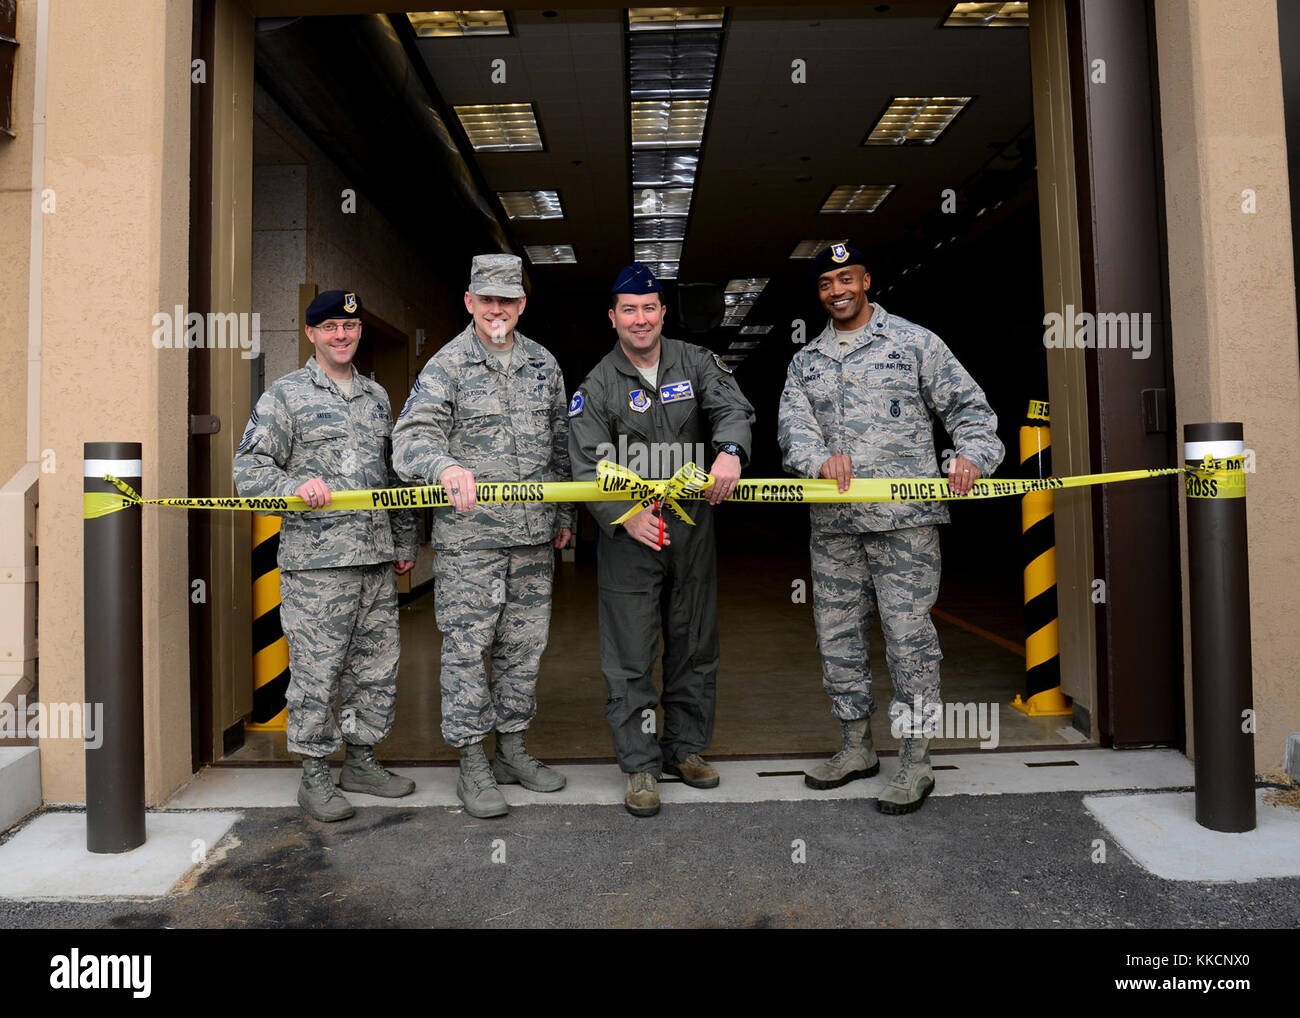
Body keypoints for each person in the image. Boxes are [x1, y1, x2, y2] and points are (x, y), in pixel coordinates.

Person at [777, 244, 1004, 814]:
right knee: (838, 639)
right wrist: (815, 461)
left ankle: (916, 759)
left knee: (910, 641)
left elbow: (970, 411)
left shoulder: (915, 343)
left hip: (905, 527)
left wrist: (970, 457)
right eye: (827, 283)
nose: (837, 290)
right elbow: (792, 431)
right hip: (835, 528)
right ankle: (856, 745)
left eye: (846, 278)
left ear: (867, 280)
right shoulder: (807, 362)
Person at [568, 262, 755, 817]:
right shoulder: (598, 384)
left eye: (649, 308)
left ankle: (685, 750)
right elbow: (584, 463)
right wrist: (624, 516)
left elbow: (733, 408)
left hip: (692, 525)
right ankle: (641, 765)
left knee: (695, 642)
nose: (641, 319)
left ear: (662, 313)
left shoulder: (694, 362)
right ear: (613, 318)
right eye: (629, 310)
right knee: (630, 653)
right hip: (631, 535)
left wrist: (730, 451)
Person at [391, 254, 572, 819]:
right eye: (487, 300)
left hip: (532, 538)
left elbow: (561, 444)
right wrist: (444, 466)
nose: (498, 310)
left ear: (521, 304)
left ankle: (512, 749)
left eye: (508, 300)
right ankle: (471, 759)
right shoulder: (446, 366)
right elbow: (409, 439)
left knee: (524, 648)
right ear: (469, 302)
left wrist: (565, 516)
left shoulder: (544, 364)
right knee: (468, 650)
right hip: (470, 542)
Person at [234, 289, 420, 823]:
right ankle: (314, 774)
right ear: (311, 333)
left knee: (375, 670)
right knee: (318, 671)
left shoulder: (378, 397)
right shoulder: (285, 396)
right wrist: (295, 485)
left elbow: (394, 478)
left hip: (375, 560)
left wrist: (404, 541)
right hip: (317, 565)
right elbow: (248, 472)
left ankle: (362, 760)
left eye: (351, 326)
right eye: (331, 326)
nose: (342, 335)